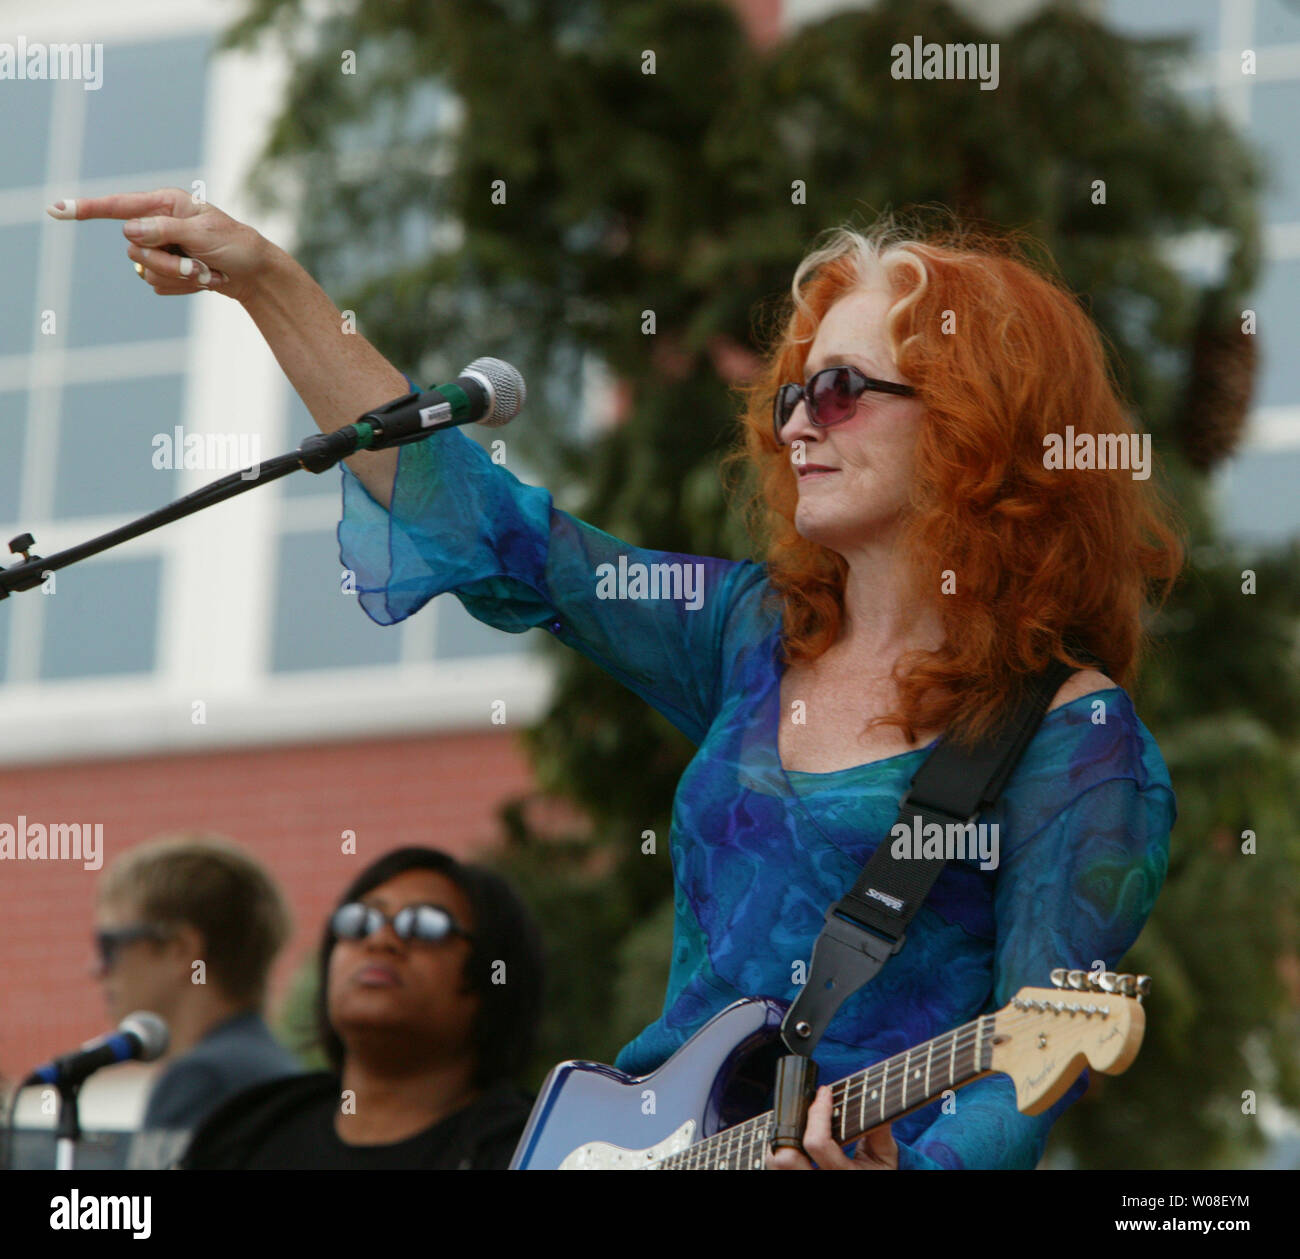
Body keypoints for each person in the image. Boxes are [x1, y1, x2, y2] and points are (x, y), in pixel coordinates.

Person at [51, 192, 1183, 1169]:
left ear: (977, 422)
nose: (795, 423)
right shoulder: (752, 633)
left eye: (840, 389)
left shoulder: (1070, 734)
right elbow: (498, 528)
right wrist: (269, 282)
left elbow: (1029, 1064)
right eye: (790, 391)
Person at [181, 846, 544, 1169]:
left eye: (424, 926)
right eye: (359, 922)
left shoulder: (533, 1150)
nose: (382, 940)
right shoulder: (248, 1128)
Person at [93, 833, 301, 1169]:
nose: (98, 971)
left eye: (109, 946)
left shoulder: (202, 1079)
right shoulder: (270, 1067)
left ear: (181, 950)